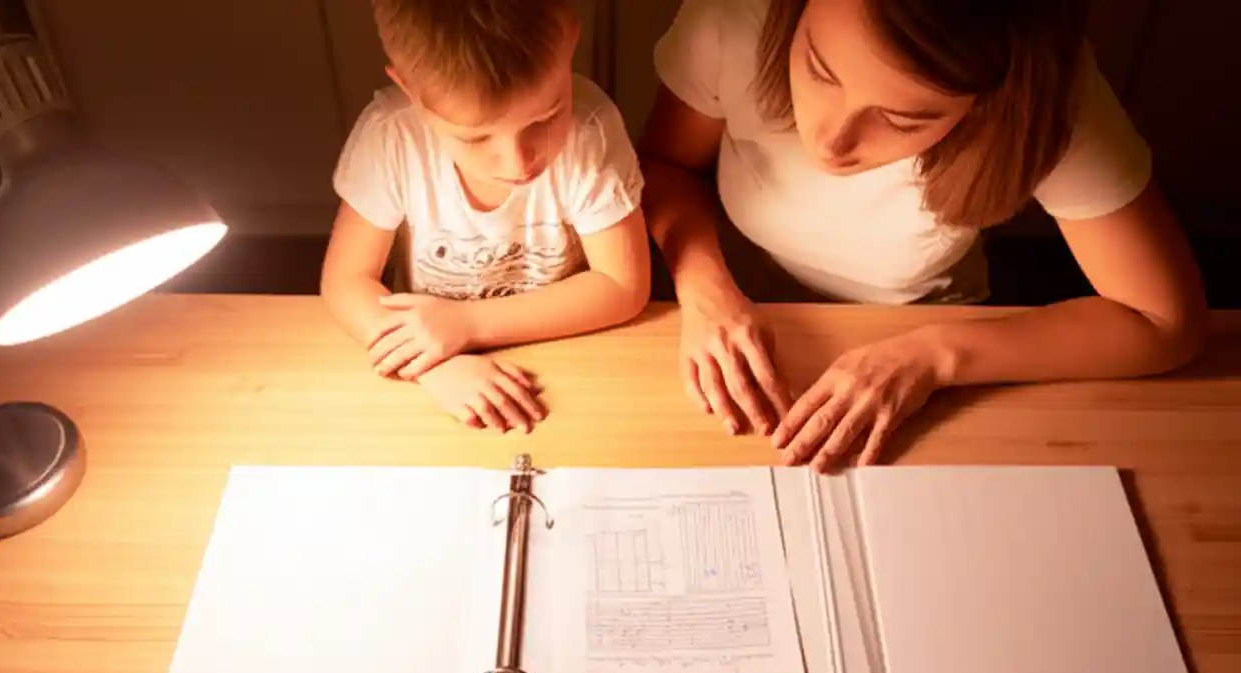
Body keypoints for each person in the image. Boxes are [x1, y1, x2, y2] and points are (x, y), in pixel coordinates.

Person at [640, 0, 1207, 470]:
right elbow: (665, 165)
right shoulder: (737, 16)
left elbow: (1164, 321)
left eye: (904, 119)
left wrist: (933, 356)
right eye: (819, 69)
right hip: (740, 304)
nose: (831, 140)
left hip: (925, 321)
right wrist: (707, 293)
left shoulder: (1046, 92)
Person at [321, 0, 650, 434]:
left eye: (546, 116)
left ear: (572, 38)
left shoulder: (590, 132)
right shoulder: (392, 135)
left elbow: (622, 285)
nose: (518, 162)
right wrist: (433, 364)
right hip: (442, 378)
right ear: (410, 91)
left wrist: (467, 325)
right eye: (474, 138)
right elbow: (346, 281)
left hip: (565, 355)